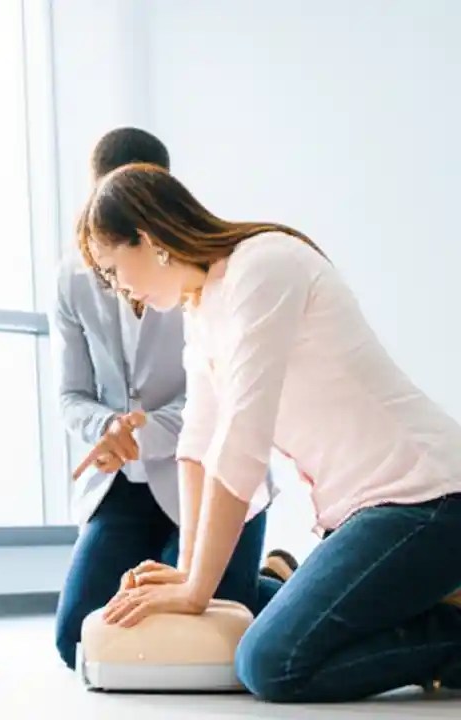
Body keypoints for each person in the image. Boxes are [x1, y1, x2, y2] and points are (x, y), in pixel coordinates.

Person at [81, 162, 461, 702]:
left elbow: (242, 438)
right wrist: (189, 571)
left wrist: (195, 591)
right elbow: (198, 444)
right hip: (362, 515)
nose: (119, 288)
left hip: (429, 498)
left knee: (271, 664)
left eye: (113, 269)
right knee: (232, 603)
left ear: (146, 239)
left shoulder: (263, 266)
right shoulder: (200, 306)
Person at [51, 128, 274, 670]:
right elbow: (72, 395)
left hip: (208, 478)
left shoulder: (200, 276)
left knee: (206, 636)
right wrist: (108, 429)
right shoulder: (72, 280)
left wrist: (143, 430)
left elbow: (214, 408)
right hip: (124, 489)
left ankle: (276, 580)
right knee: (77, 640)